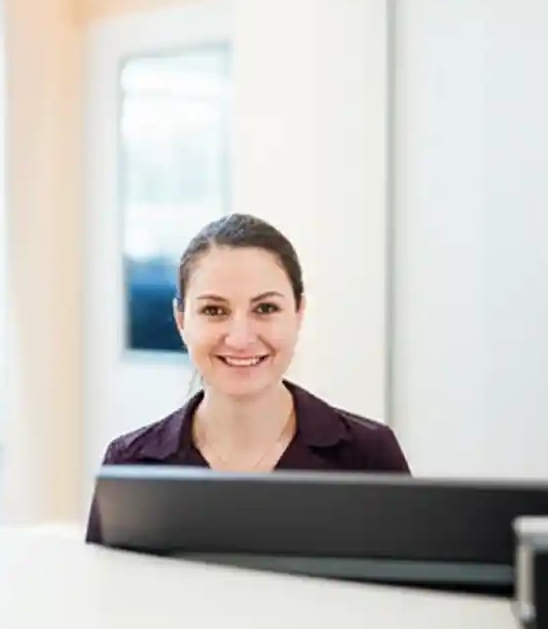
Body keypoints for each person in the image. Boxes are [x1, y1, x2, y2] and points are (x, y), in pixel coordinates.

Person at [87, 213, 410, 542]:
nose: (240, 338)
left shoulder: (368, 456)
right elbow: (110, 593)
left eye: (266, 309)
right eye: (214, 311)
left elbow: (409, 592)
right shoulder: (131, 466)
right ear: (181, 320)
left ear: (298, 314)